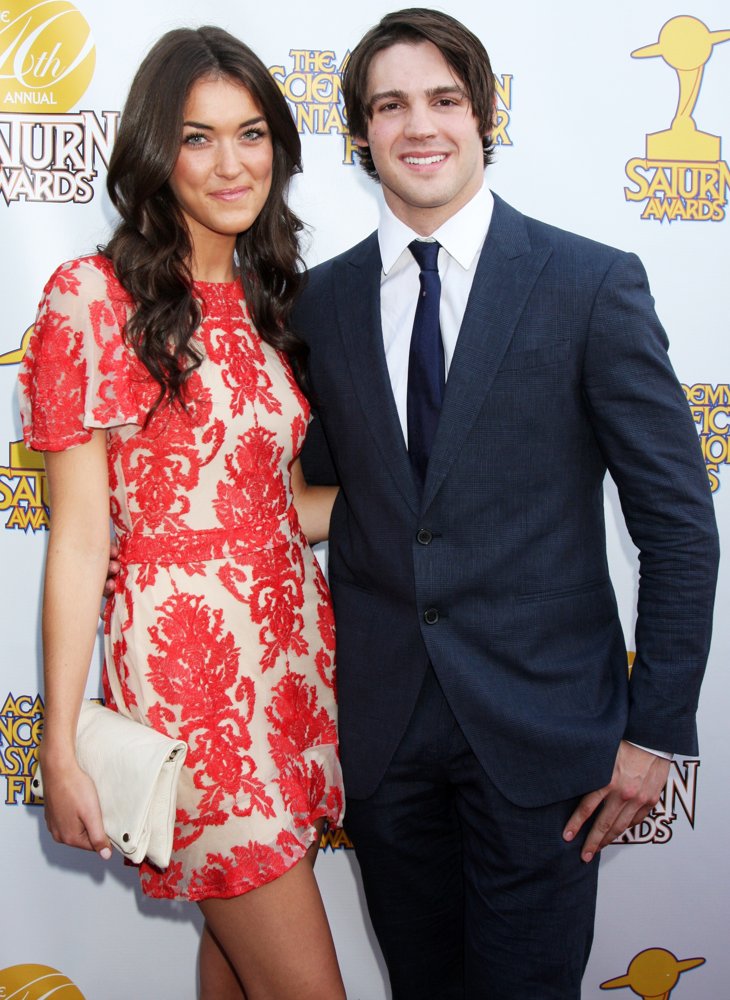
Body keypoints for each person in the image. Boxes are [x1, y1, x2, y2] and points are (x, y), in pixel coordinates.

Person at [293, 8, 720, 998]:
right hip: (387, 745)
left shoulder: (588, 283)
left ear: (485, 114)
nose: (419, 125)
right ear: (361, 134)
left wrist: (654, 730)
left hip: (544, 746)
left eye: (443, 98)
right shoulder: (320, 304)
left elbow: (676, 524)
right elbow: (320, 491)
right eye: (390, 105)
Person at [19, 26, 345, 1000]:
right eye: (198, 137)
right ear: (158, 154)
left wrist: (426, 503)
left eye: (251, 133)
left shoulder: (268, 304)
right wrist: (60, 742)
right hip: (191, 686)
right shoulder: (93, 298)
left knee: (241, 969)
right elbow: (80, 539)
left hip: (290, 665)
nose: (231, 160)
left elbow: (285, 507)